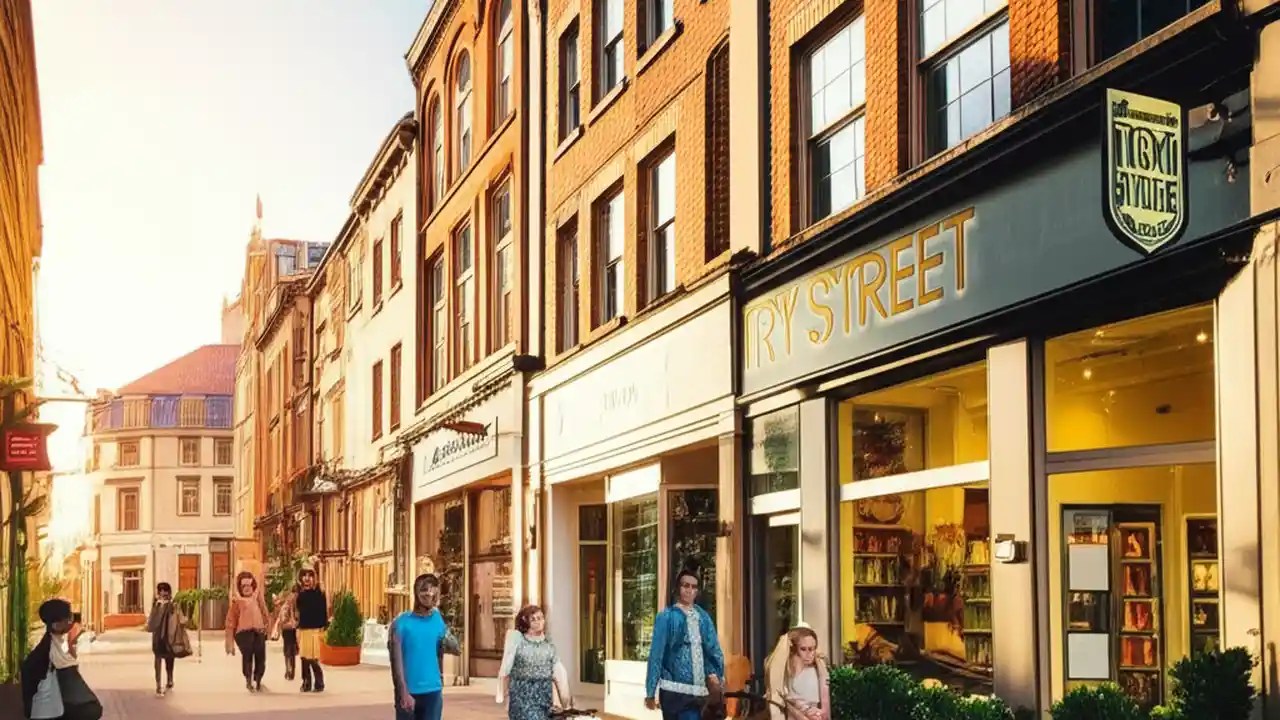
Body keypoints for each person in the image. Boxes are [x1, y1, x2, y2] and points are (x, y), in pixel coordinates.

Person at [644, 567, 726, 720]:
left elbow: (713, 651)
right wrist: (650, 691)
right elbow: (656, 655)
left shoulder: (703, 618)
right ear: (677, 589)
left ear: (697, 592)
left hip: (699, 695)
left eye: (694, 587)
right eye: (685, 585)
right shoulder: (666, 617)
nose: (689, 590)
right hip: (672, 693)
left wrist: (717, 677)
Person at [389, 573, 462, 720]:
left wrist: (448, 638)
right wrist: (403, 691)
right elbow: (395, 663)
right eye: (426, 592)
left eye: (434, 593)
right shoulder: (401, 623)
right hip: (409, 691)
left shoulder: (437, 618)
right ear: (417, 593)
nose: (431, 597)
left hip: (433, 692)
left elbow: (455, 647)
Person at [496, 604, 572, 720]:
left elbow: (559, 673)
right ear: (526, 622)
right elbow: (506, 668)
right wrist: (505, 695)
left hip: (544, 696)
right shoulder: (517, 640)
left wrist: (566, 701)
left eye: (540, 618)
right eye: (533, 619)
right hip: (522, 695)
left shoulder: (548, 644)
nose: (538, 622)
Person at [22, 599, 77, 719]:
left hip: (53, 709)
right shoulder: (49, 648)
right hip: (45, 711)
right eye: (67, 619)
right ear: (56, 625)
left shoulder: (52, 643)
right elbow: (70, 670)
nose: (70, 622)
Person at [764, 625, 830, 720]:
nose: (810, 654)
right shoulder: (781, 672)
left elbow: (824, 707)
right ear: (793, 650)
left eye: (812, 649)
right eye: (803, 649)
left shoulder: (819, 669)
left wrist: (819, 713)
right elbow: (779, 701)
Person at [225, 571, 270, 692]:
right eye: (243, 586)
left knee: (261, 656)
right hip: (243, 633)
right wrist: (230, 643)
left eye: (249, 585)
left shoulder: (257, 598)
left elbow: (264, 611)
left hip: (258, 630)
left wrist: (268, 627)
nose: (246, 588)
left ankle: (258, 678)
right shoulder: (237, 602)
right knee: (248, 655)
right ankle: (248, 679)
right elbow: (230, 621)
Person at [147, 582, 187, 697]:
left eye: (165, 590)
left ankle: (170, 678)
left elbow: (178, 617)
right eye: (161, 590)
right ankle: (158, 684)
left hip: (169, 636)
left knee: (170, 660)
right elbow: (152, 620)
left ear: (169, 592)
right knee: (158, 659)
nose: (163, 593)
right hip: (158, 636)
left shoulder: (173, 604)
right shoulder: (156, 605)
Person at [295, 562, 329, 692]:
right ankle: (306, 682)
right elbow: (298, 612)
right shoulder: (300, 594)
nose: (307, 578)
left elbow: (323, 611)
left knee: (313, 658)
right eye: (304, 575)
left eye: (310, 575)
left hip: (315, 629)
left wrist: (324, 626)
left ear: (314, 578)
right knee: (304, 657)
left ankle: (319, 682)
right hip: (304, 629)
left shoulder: (319, 593)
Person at [270, 583, 300, 681]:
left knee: (288, 649)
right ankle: (291, 670)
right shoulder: (296, 599)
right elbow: (297, 614)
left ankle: (288, 670)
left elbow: (279, 608)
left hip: (285, 627)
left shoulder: (287, 599)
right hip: (291, 627)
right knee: (292, 650)